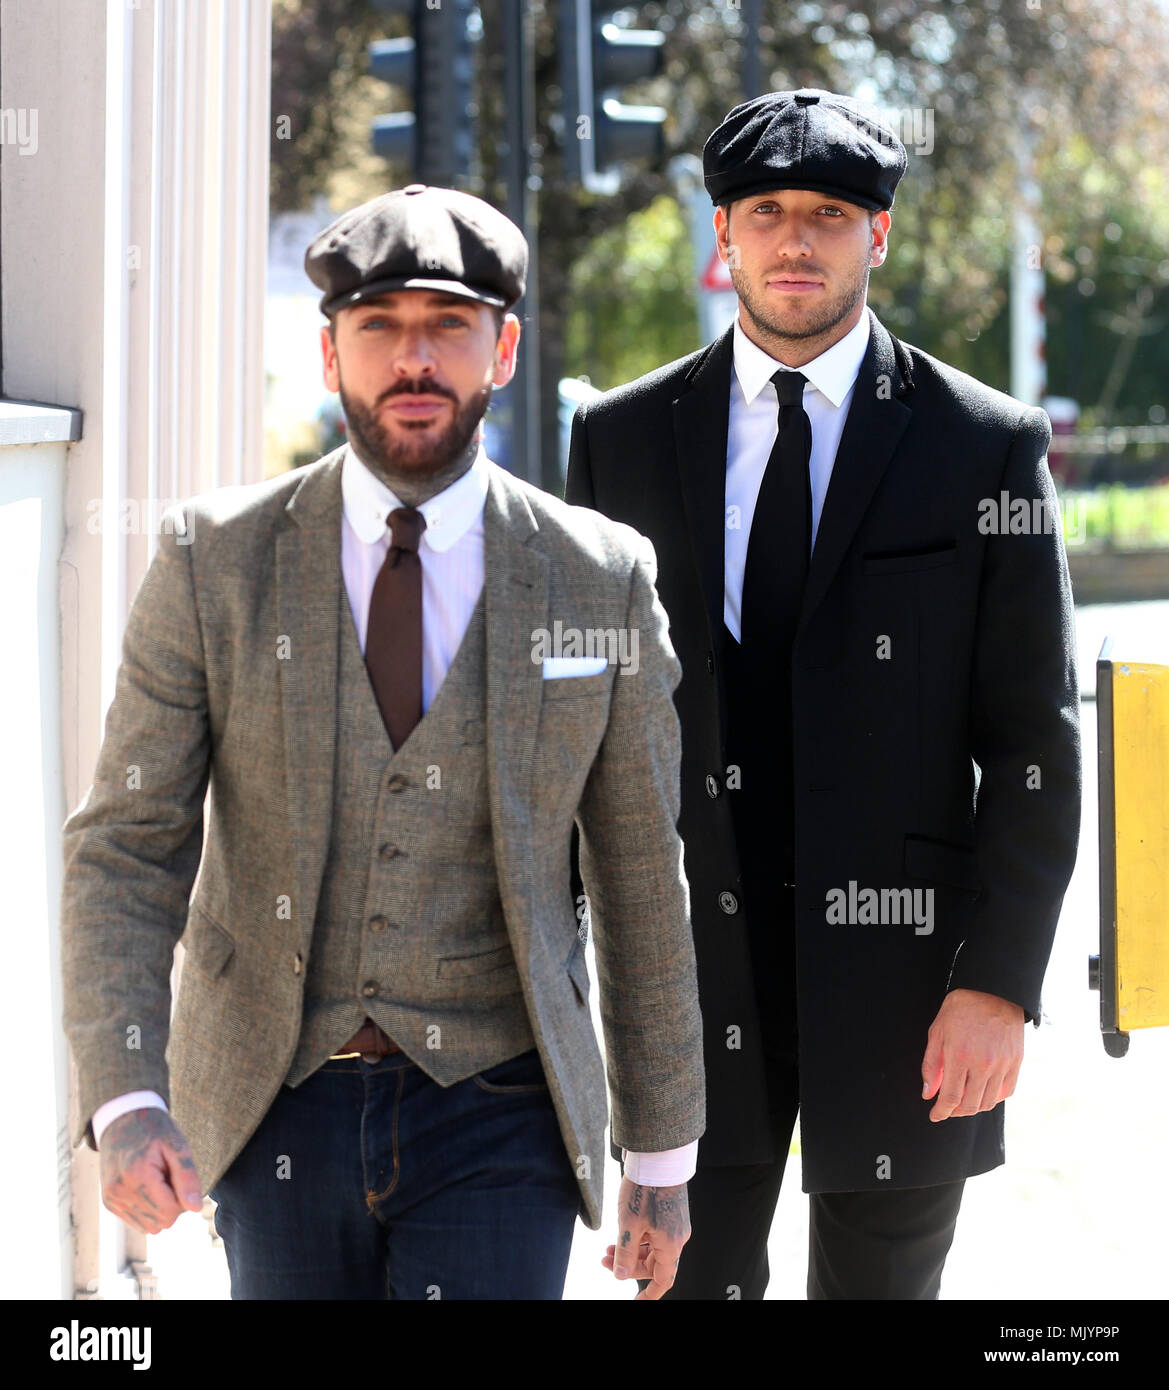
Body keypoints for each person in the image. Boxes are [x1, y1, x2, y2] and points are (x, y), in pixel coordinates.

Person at [61, 185, 704, 1301]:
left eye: (448, 327)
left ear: (500, 352)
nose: (415, 360)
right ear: (329, 356)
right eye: (380, 328)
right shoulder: (214, 562)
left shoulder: (598, 575)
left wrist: (660, 1157)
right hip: (273, 1103)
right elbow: (126, 843)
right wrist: (125, 1093)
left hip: (501, 1109)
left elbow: (643, 871)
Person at [566, 90, 1081, 1300]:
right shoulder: (620, 442)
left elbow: (1031, 741)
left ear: (879, 236)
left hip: (907, 980)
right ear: (723, 236)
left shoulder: (981, 446)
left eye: (831, 216)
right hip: (685, 979)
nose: (796, 240)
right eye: (767, 213)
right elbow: (573, 728)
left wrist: (996, 980)